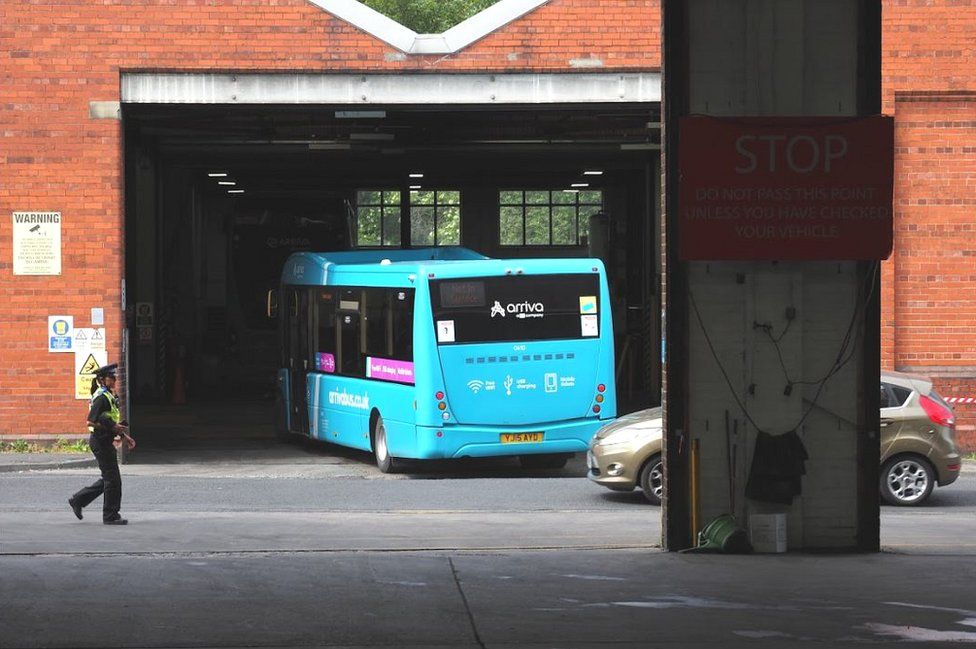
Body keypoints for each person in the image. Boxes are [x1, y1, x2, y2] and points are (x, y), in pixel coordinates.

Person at [68, 363, 135, 525]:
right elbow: (90, 421)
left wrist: (123, 435)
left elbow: (110, 421)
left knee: (110, 479)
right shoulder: (101, 397)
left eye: (114, 377)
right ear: (102, 380)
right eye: (111, 377)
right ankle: (110, 515)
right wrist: (112, 427)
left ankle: (78, 500)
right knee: (112, 480)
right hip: (100, 442)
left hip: (104, 441)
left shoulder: (109, 395)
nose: (114, 380)